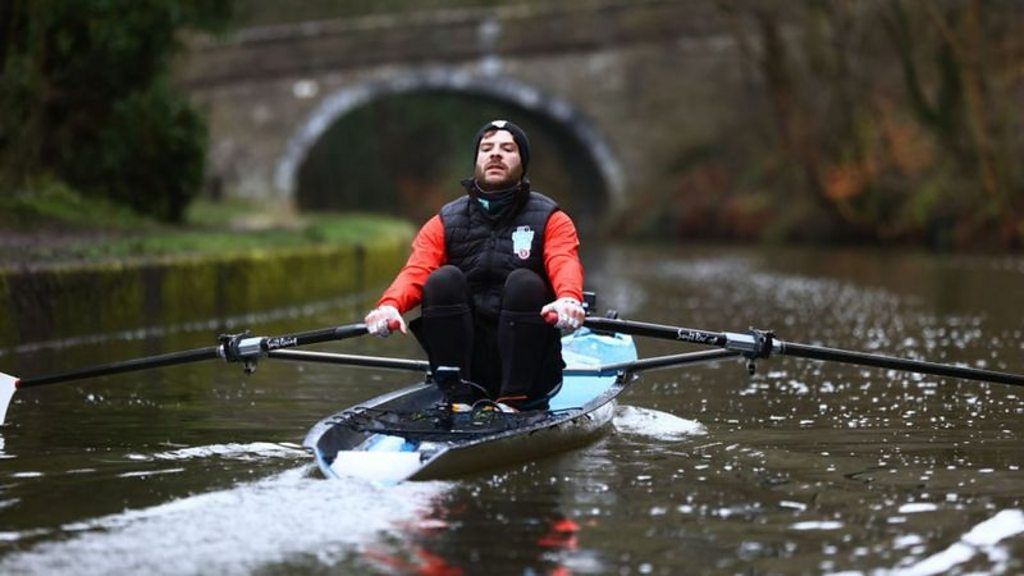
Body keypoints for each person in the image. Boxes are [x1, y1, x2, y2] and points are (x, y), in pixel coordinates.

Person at [364, 119, 586, 411]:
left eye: (508, 149)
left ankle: (513, 401)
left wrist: (569, 299)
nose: (496, 154)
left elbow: (563, 260)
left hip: (529, 367)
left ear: (522, 163)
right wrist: (390, 305)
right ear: (477, 160)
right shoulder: (444, 221)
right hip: (464, 363)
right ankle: (459, 398)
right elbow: (417, 270)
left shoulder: (552, 219)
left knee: (524, 281)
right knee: (443, 279)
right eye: (487, 148)